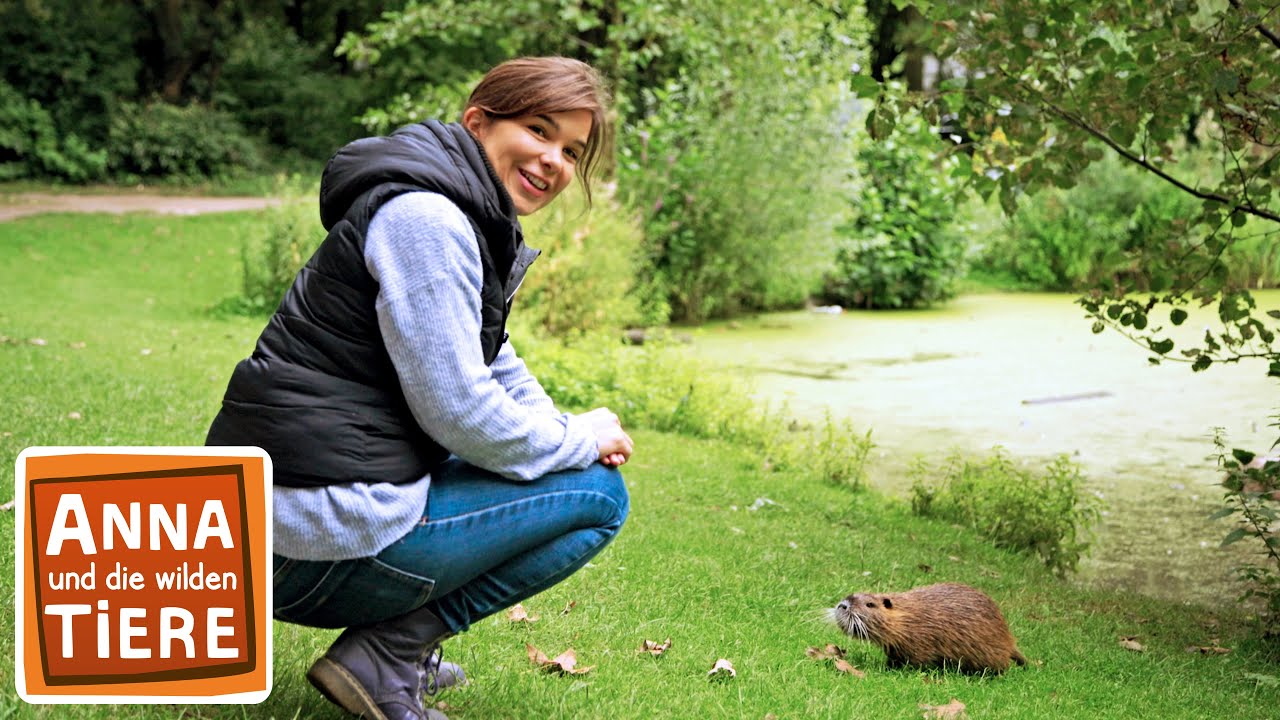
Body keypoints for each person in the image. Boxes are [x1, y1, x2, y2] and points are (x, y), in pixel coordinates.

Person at [205, 56, 633, 720]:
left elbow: (494, 361)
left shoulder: (458, 210)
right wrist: (578, 442)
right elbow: (459, 409)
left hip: (293, 519)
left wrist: (565, 432)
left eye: (571, 150)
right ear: (477, 123)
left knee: (566, 467)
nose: (553, 160)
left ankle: (394, 652)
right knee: (600, 496)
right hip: (305, 540)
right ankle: (386, 655)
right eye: (538, 130)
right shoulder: (428, 220)